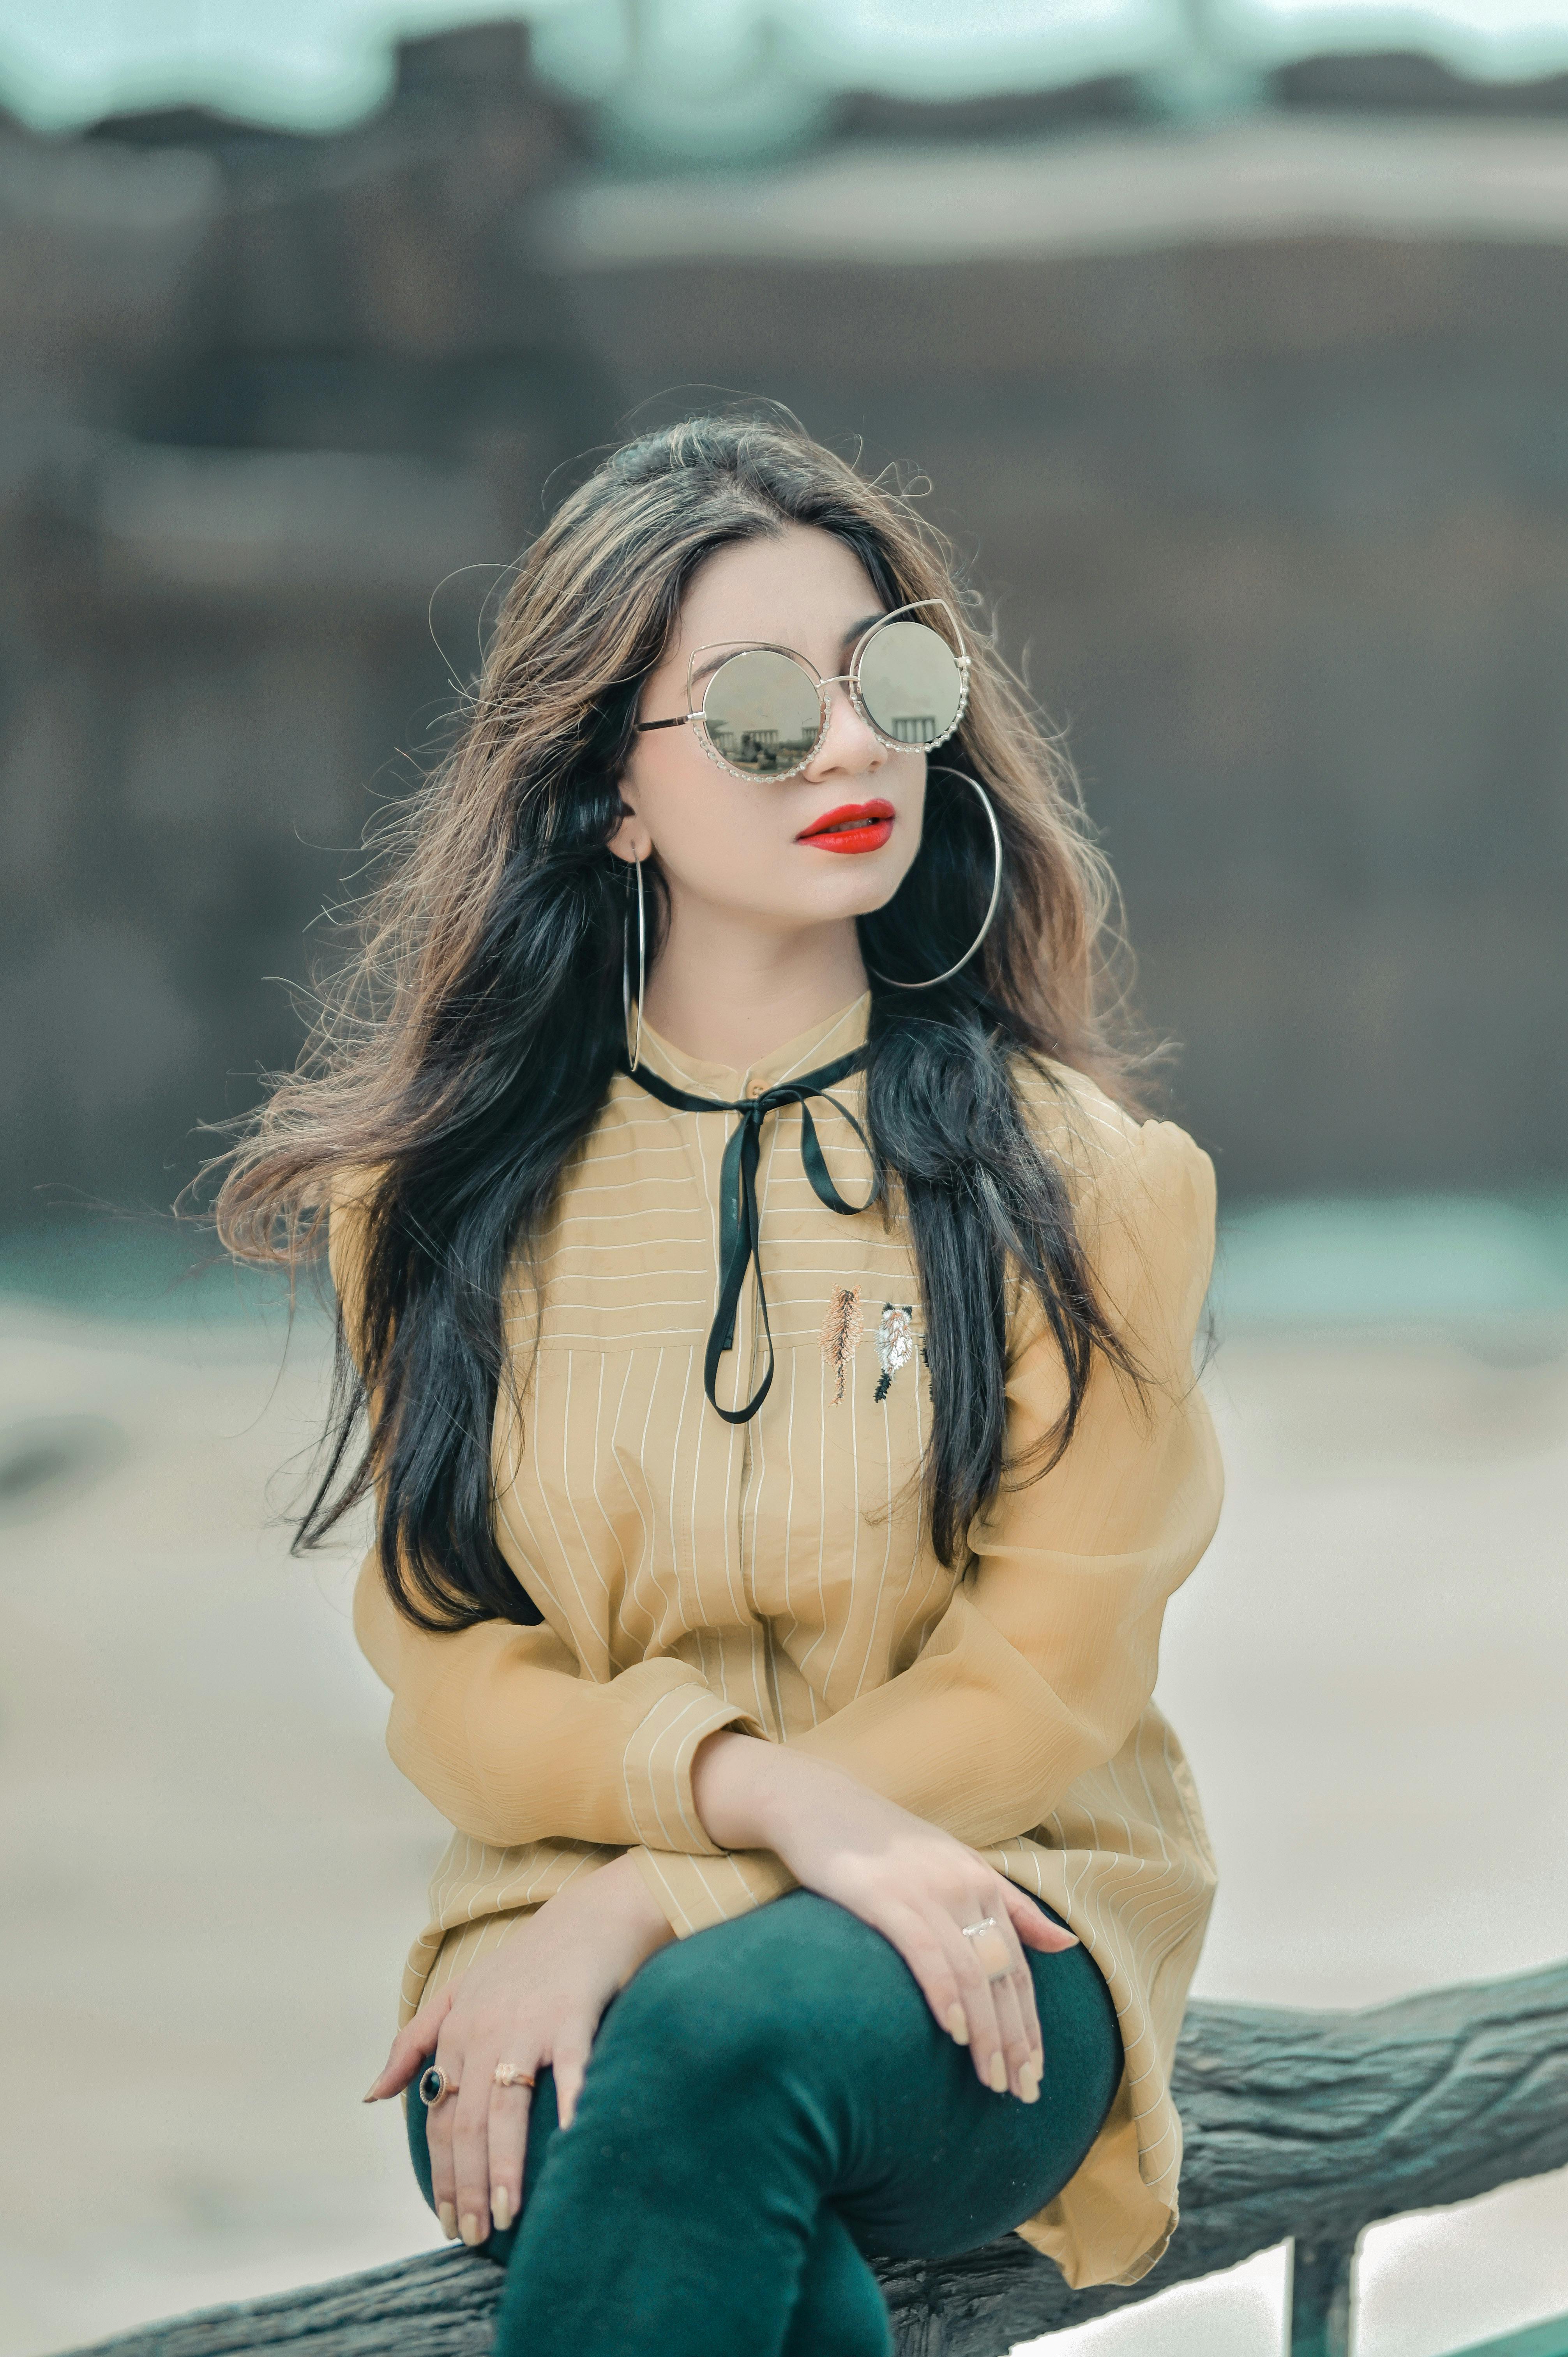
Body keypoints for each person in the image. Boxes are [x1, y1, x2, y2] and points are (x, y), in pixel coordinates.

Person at [215, 413, 1222, 2357]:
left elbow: (1044, 1686)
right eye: (761, 716)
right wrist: (728, 1816)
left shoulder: (1082, 1184)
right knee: (693, 2163)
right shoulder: (431, 1209)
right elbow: (453, 1674)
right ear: (605, 790)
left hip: (984, 1924)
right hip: (546, 1958)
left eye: (891, 684)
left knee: (712, 2040)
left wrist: (642, 1901)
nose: (853, 749)